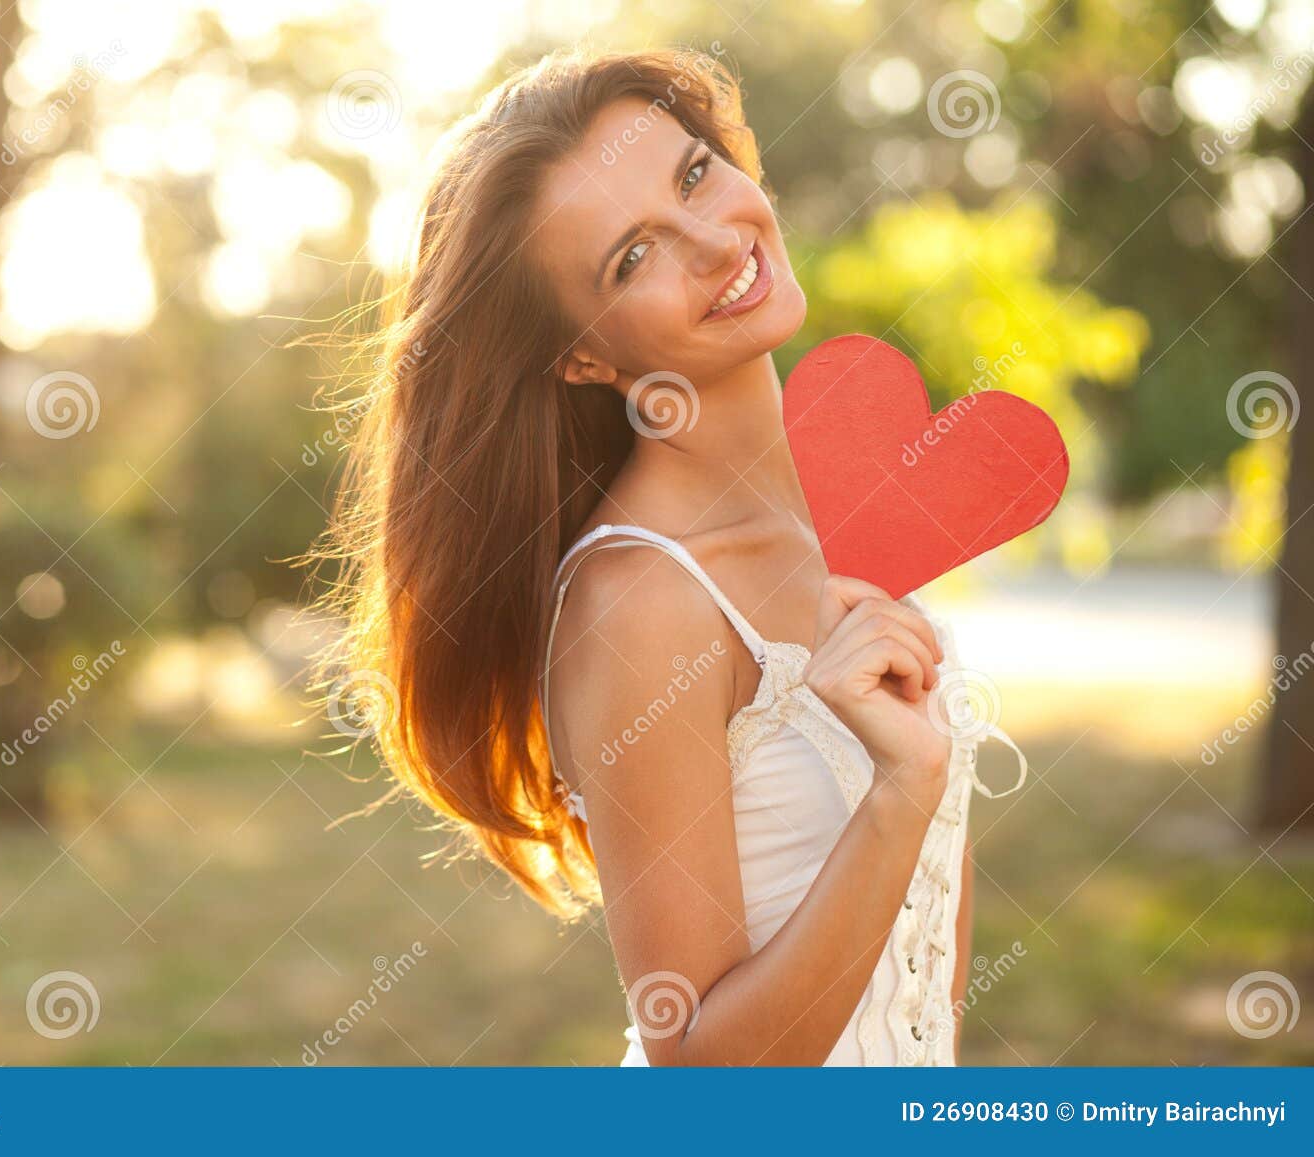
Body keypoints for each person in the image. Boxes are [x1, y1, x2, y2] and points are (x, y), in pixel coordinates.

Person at [315, 47, 1027, 1066]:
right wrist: (899, 791)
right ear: (581, 356)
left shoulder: (841, 518)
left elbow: (924, 959)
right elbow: (698, 1068)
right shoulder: (640, 600)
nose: (715, 240)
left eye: (694, 174)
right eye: (633, 256)